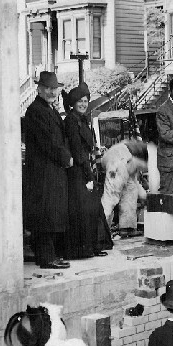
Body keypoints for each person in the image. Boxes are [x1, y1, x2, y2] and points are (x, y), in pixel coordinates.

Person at [22, 72, 71, 270]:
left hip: (50, 170)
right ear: (39, 89)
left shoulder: (47, 109)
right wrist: (66, 158)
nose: (52, 92)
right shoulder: (36, 111)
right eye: (48, 88)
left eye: (54, 88)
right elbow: (49, 142)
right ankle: (46, 257)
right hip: (43, 171)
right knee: (46, 214)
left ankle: (49, 255)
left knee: (51, 213)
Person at [61, 85, 106, 261]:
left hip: (85, 168)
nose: (83, 104)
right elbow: (77, 150)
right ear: (72, 103)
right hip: (78, 171)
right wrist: (88, 175)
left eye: (85, 101)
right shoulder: (72, 121)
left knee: (90, 209)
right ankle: (82, 249)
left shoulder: (81, 119)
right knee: (82, 210)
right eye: (80, 101)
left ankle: (91, 246)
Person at [100, 139, 148, 238]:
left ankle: (127, 227)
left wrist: (144, 195)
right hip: (120, 160)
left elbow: (134, 179)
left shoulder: (137, 148)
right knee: (110, 198)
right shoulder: (148, 155)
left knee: (130, 189)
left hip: (115, 156)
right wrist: (146, 197)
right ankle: (99, 230)